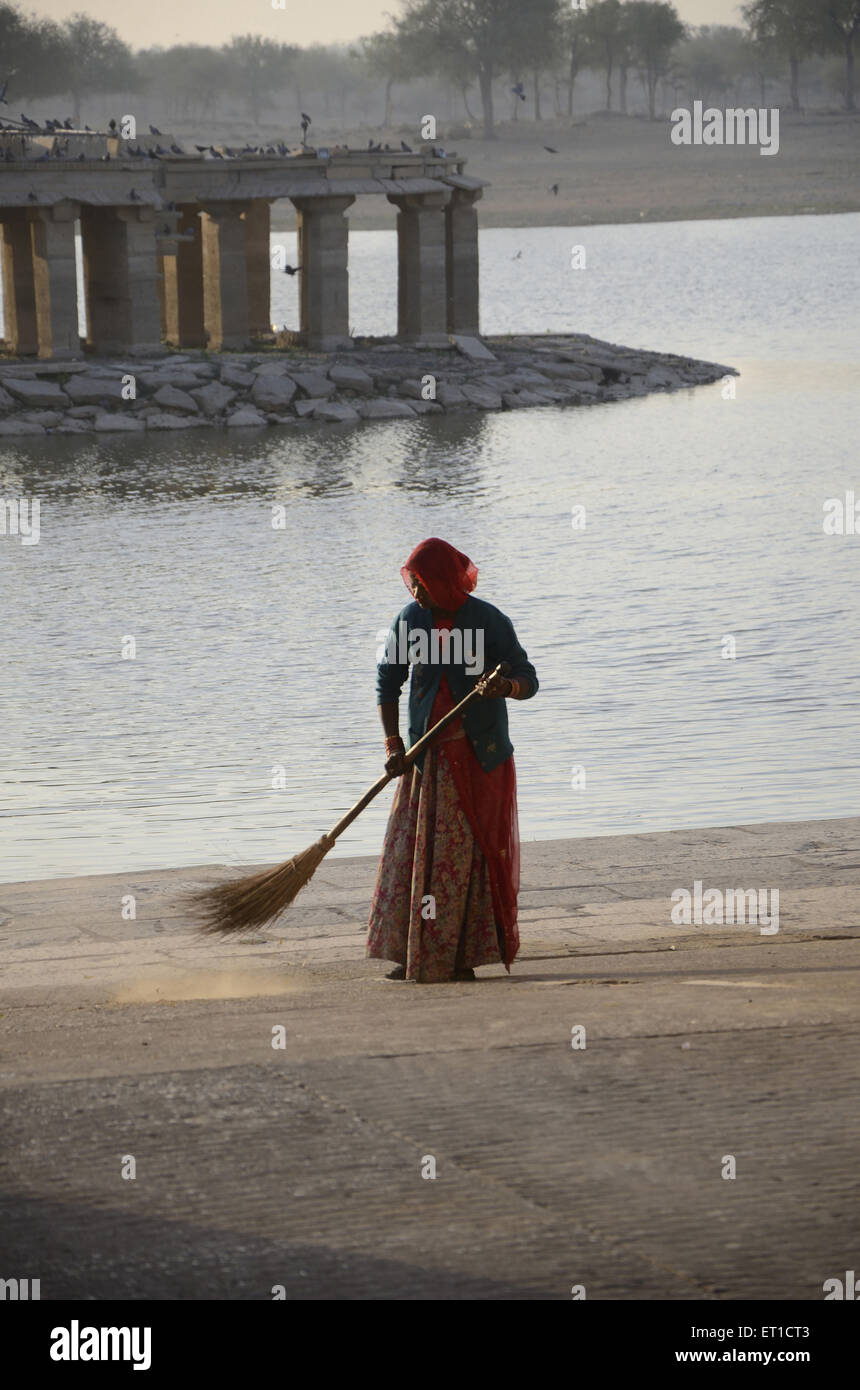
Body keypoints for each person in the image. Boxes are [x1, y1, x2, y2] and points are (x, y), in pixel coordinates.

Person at [367, 537, 539, 983]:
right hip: (427, 760)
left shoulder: (487, 621)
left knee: (467, 857)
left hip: (479, 759)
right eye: (414, 583)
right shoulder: (411, 621)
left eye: (422, 583)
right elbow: (387, 684)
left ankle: (461, 955)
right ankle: (417, 951)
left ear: (443, 580)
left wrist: (503, 688)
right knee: (419, 855)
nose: (415, 592)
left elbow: (527, 677)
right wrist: (393, 748)